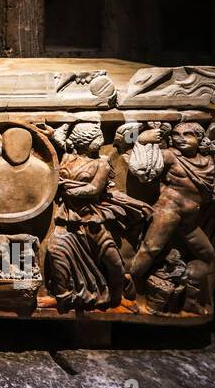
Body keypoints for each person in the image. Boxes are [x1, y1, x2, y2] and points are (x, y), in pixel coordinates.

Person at [127, 121, 215, 314]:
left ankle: (191, 299)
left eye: (188, 135)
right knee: (149, 250)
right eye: (176, 135)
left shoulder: (210, 162)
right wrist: (141, 140)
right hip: (168, 213)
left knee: (207, 255)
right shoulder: (171, 156)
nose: (181, 139)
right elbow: (142, 165)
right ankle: (127, 285)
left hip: (189, 220)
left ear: (199, 139)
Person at [44, 122, 147, 310]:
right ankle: (62, 297)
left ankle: (117, 297)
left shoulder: (102, 163)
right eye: (96, 138)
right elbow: (55, 149)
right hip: (68, 220)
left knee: (113, 261)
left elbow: (94, 188)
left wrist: (68, 187)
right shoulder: (67, 157)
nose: (100, 141)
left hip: (92, 218)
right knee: (55, 251)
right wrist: (52, 134)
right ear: (85, 141)